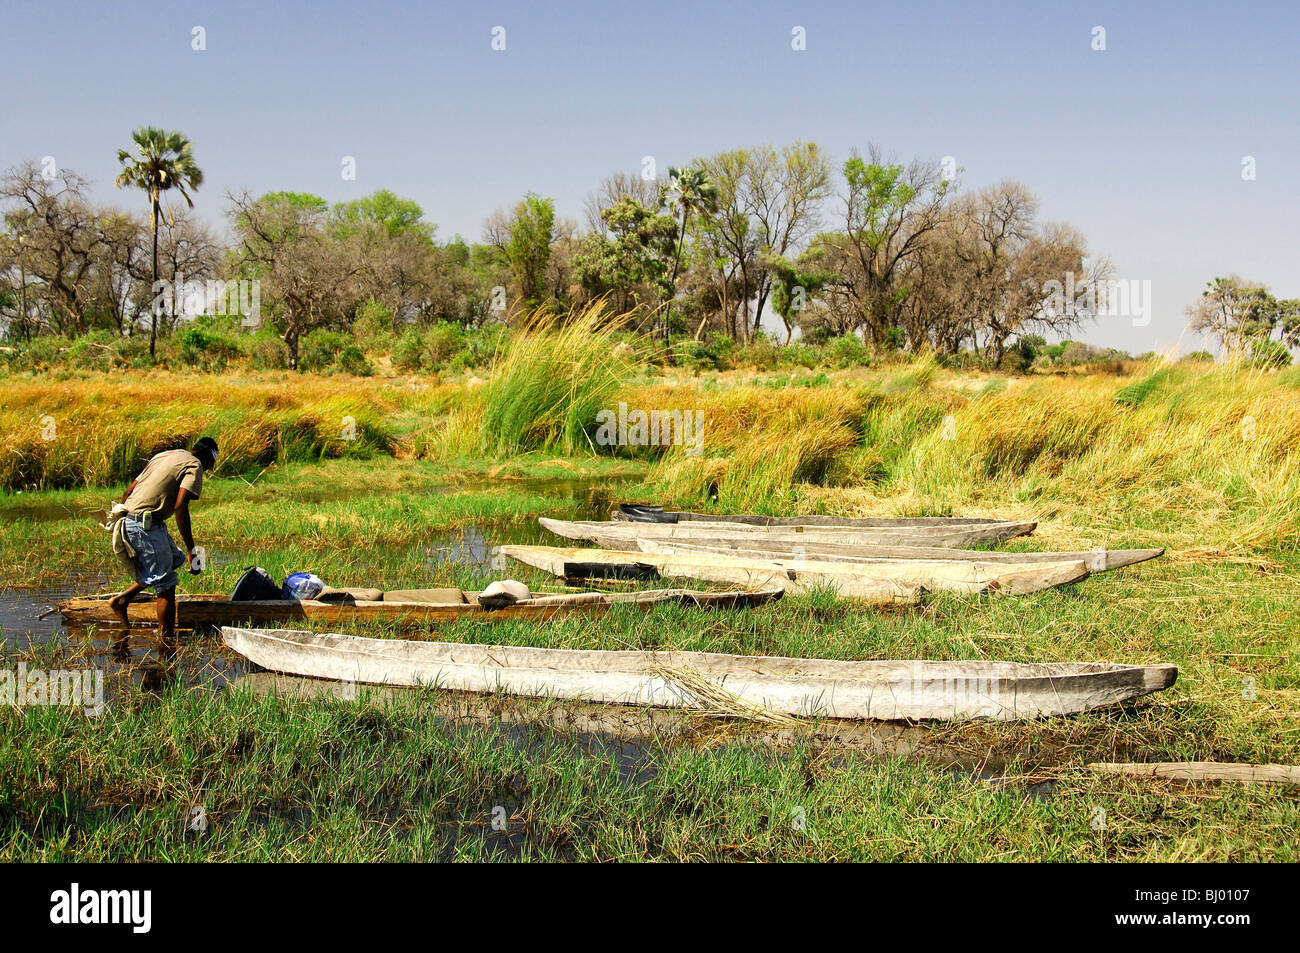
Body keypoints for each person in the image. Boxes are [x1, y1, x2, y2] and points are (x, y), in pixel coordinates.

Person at [107, 437, 218, 646]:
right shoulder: (195, 465)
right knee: (166, 585)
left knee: (173, 560)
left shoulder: (165, 455)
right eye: (212, 463)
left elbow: (129, 491)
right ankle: (166, 642)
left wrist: (126, 521)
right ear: (209, 457)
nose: (210, 468)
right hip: (144, 525)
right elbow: (180, 506)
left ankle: (122, 600)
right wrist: (192, 549)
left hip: (139, 520)